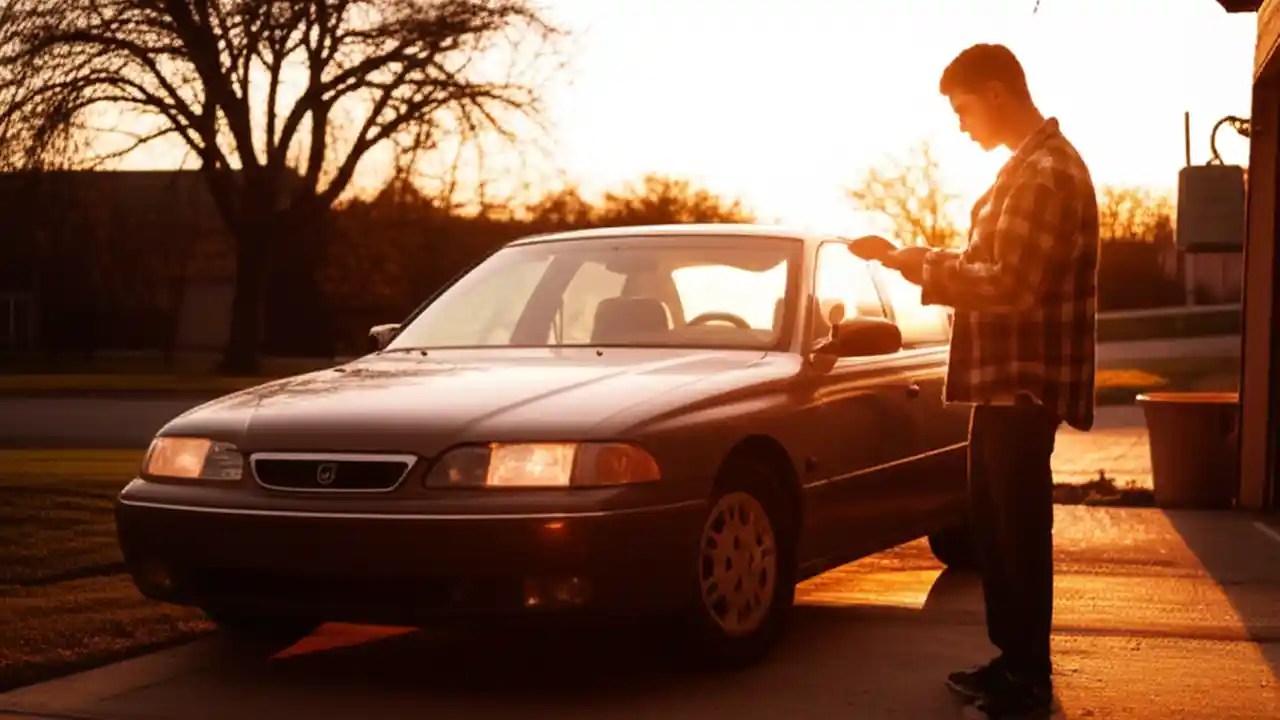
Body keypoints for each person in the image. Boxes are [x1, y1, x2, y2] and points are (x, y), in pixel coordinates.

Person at [851, 43, 1099, 718]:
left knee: (1017, 532)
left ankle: (1028, 678)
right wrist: (913, 258)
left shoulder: (1045, 173)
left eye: (963, 109)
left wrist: (919, 265)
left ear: (996, 92)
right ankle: (1012, 663)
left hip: (1022, 383)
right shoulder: (1025, 170)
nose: (961, 126)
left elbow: (1011, 286)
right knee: (995, 530)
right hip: (999, 384)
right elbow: (990, 265)